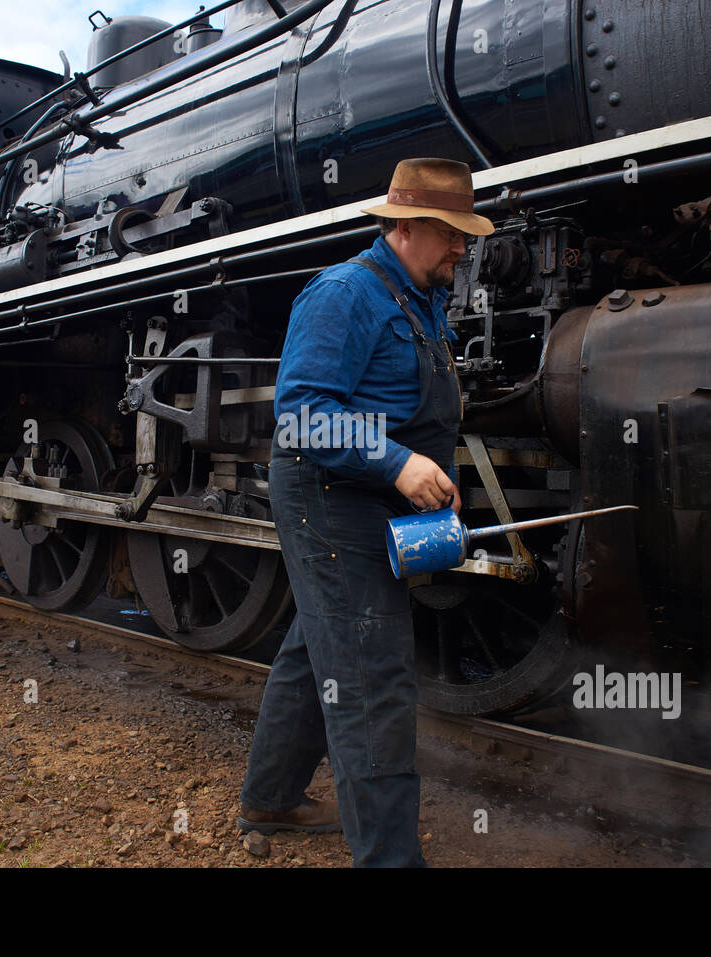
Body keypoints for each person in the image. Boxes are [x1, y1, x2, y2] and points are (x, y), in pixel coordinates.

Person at [237, 158, 495, 866]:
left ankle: (270, 797)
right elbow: (304, 416)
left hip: (376, 495)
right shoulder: (345, 292)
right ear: (406, 227)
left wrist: (431, 474)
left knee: (315, 648)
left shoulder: (421, 297)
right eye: (452, 235)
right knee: (371, 674)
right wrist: (400, 465)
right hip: (327, 491)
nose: (462, 249)